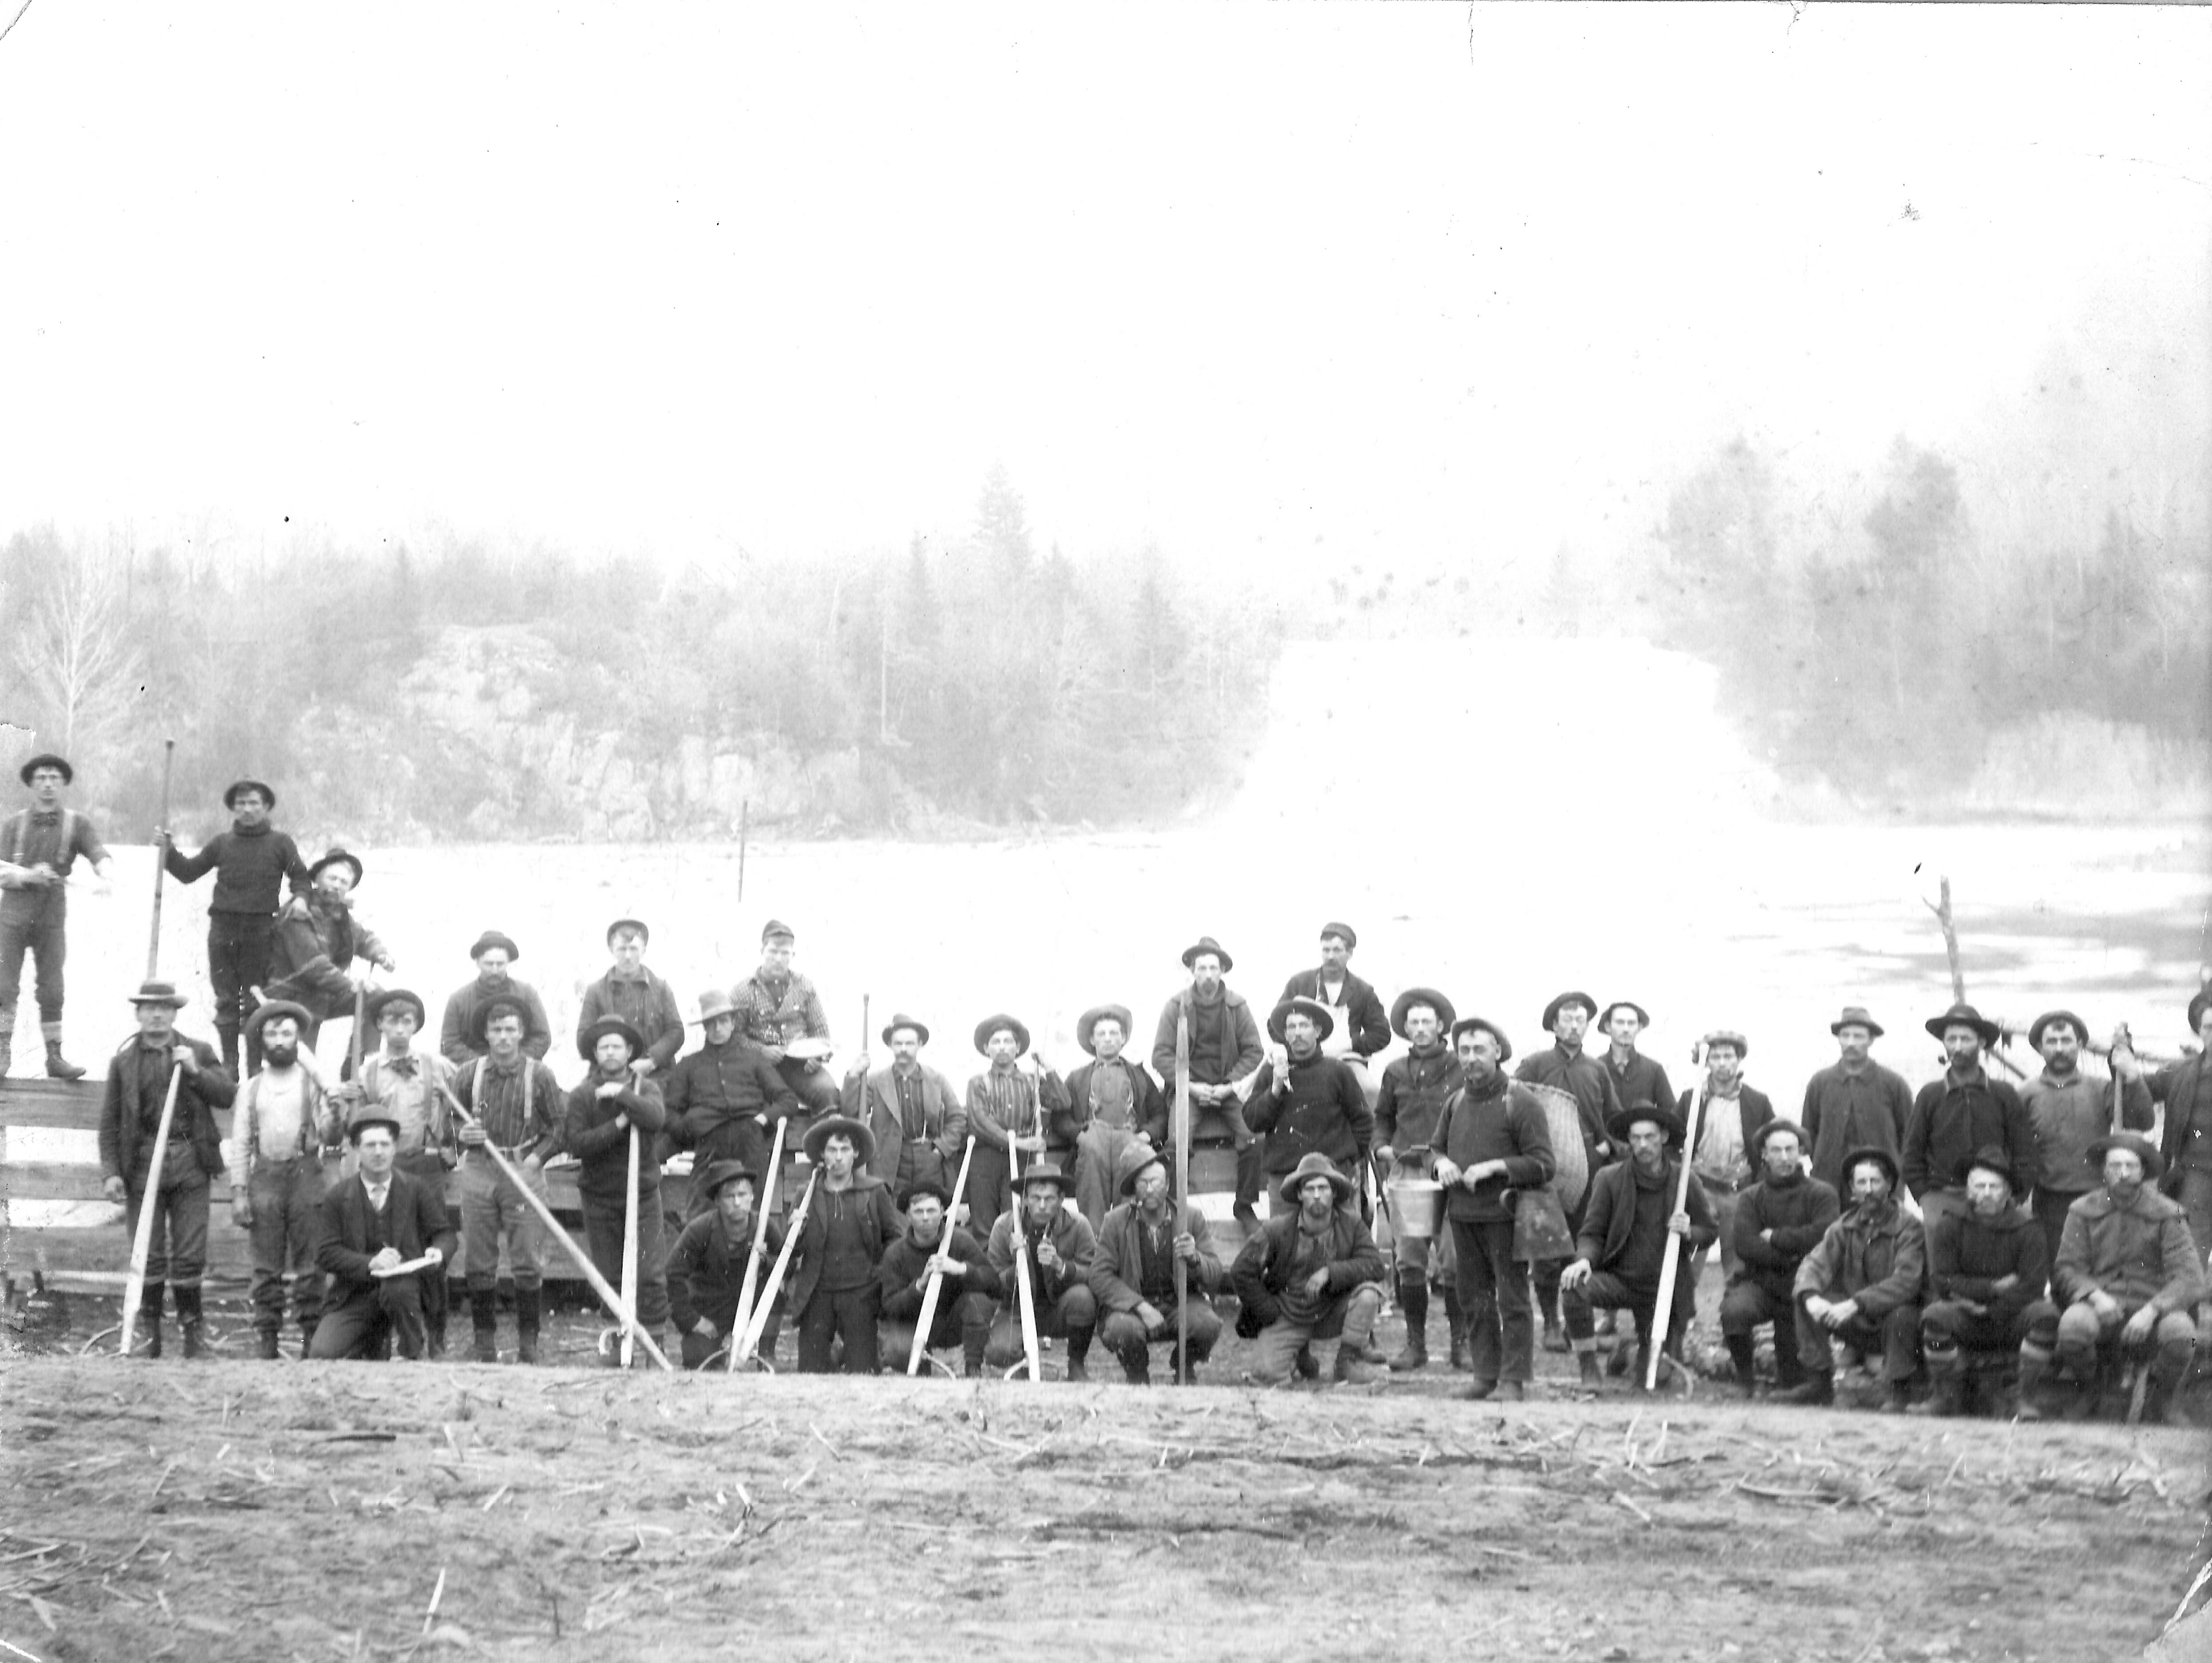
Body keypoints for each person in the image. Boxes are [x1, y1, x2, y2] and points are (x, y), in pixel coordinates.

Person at [98, 980, 235, 1359]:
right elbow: (109, 1122)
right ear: (138, 1013)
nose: (156, 1014)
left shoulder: (199, 1051)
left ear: (174, 1013)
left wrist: (193, 1071)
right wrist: (111, 1171)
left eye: (164, 1008)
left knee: (190, 1252)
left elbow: (226, 1095)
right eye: (148, 1008)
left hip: (191, 1162)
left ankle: (194, 1337)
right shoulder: (123, 1062)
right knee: (148, 1253)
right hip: (142, 1165)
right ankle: (149, 1337)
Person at [1429, 1014, 1555, 1400]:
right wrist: (1442, 1164)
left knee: (1512, 1299)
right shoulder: (1455, 1102)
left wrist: (1497, 1166)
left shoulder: (1520, 1101)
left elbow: (1544, 1164)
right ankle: (1485, 1375)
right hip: (1463, 1216)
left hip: (1506, 1218)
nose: (1471, 1058)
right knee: (1473, 1297)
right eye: (1463, 1050)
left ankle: (1514, 1381)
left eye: (1479, 1050)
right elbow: (1435, 1149)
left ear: (1497, 1052)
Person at [2042, 1131, 2207, 1425]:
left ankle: (2161, 1401)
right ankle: (2091, 1391)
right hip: (2101, 1303)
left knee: (2181, 1334)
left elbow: (2190, 1277)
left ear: (2143, 1172)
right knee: (2073, 1327)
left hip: (2154, 1304)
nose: (2123, 1174)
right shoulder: (2081, 1211)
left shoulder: (2170, 1214)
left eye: (2131, 1166)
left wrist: (2152, 1310)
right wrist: (2094, 1296)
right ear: (2104, 1171)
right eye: (2115, 1166)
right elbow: (2067, 1267)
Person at [1560, 1103, 1715, 1392]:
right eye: (1636, 1138)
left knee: (1654, 1379)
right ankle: (1589, 1368)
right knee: (1574, 1287)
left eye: (1651, 1137)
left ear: (1664, 1137)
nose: (1643, 1145)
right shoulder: (1610, 1179)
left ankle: (1626, 1354)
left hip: (1664, 1289)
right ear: (1629, 1140)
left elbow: (1709, 1232)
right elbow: (1592, 1233)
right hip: (1618, 1280)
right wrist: (1583, 1261)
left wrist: (1689, 1230)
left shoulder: (1685, 1181)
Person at [339, 985, 459, 1357]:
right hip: (385, 1167)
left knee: (432, 1249)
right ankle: (385, 1335)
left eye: (408, 1021)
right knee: (386, 1246)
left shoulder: (435, 1065)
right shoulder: (367, 1070)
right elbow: (355, 1124)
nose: (400, 1029)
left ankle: (436, 1332)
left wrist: (451, 1146)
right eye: (392, 1021)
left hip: (425, 1164)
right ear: (379, 1025)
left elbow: (460, 1103)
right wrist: (347, 1102)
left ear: (416, 1025)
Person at [159, 777, 307, 1071]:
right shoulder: (222, 843)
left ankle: (254, 1069)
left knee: (255, 1001)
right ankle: (230, 1067)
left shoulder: (281, 843)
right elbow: (188, 873)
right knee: (226, 1002)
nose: (247, 809)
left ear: (266, 808)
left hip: (261, 931)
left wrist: (301, 898)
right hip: (223, 930)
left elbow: (301, 878)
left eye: (254, 803)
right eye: (241, 804)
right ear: (233, 809)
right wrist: (168, 851)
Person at [450, 996, 564, 1364]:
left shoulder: (540, 1075)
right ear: (486, 1033)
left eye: (510, 1030)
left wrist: (537, 1159)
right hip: (480, 1169)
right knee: (479, 1259)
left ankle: (528, 1344)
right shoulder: (469, 1073)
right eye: (496, 1030)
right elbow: (448, 1123)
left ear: (521, 1033)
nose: (503, 1037)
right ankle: (485, 1342)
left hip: (523, 1169)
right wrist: (461, 1136)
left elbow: (559, 1128)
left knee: (528, 1259)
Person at [226, 1000, 342, 1359]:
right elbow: (242, 1141)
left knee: (311, 1263)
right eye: (272, 1033)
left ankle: (311, 1337)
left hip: (306, 1172)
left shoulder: (313, 1084)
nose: (279, 1040)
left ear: (298, 1040)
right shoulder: (251, 1088)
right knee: (266, 1264)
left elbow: (331, 1135)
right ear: (262, 1040)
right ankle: (267, 1339)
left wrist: (336, 1112)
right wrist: (239, 1191)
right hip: (265, 1177)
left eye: (287, 1033)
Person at [563, 1014, 673, 1365]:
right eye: (603, 1047)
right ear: (595, 1054)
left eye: (617, 1046)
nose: (610, 1053)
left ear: (629, 1053)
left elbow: (655, 1119)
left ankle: (654, 1350)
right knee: (609, 1275)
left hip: (641, 1195)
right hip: (601, 1196)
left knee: (651, 1274)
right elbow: (578, 1144)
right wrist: (619, 1122)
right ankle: (616, 1349)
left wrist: (624, 1095)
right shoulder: (582, 1094)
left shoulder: (646, 1088)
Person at [309, 1102, 457, 1361]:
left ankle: (413, 1353)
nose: (378, 1153)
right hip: (356, 1293)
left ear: (395, 1147)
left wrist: (438, 1252)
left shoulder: (415, 1189)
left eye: (385, 1145)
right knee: (323, 1352)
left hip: (408, 1292)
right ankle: (371, 1341)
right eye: (370, 1145)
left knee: (397, 1290)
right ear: (356, 1149)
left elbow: (445, 1235)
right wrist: (370, 1263)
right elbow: (326, 1253)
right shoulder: (339, 1196)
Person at [1516, 990, 1623, 1347]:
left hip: (1589, 1169)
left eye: (1581, 1020)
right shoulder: (1534, 1064)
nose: (1575, 1026)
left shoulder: (1596, 1069)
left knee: (1582, 1245)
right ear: (1554, 1025)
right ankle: (1550, 1324)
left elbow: (1614, 1118)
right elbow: (1513, 1104)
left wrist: (1608, 1143)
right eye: (1567, 1019)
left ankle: (1578, 1322)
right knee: (1547, 1248)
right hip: (1546, 1166)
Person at [1786, 1147, 1925, 1412]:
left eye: (1875, 1181)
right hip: (1856, 1317)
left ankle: (1899, 1391)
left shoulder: (1909, 1227)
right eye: (1861, 1182)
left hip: (1891, 1319)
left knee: (1903, 1314)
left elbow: (1907, 1282)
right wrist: (1811, 1297)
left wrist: (1856, 1303)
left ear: (1889, 1186)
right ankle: (1818, 1382)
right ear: (1852, 1188)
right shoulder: (1844, 1226)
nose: (1869, 1189)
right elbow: (1814, 1264)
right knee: (1806, 1298)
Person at [0, 752, 112, 1082]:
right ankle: (2, 1052)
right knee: (3, 986)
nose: (48, 784)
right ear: (32, 784)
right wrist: (27, 876)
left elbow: (98, 854)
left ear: (62, 783)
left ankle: (54, 1056)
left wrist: (107, 875)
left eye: (54, 778)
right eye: (41, 778)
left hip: (51, 916)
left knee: (52, 988)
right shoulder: (13, 824)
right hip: (12, 917)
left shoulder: (76, 824)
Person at [1915, 1146, 2049, 1418]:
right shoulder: (1950, 1225)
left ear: (2008, 1191)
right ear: (1968, 1190)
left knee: (2045, 1314)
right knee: (1935, 1315)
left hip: (2011, 1317)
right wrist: (1992, 1288)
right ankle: (1946, 1395)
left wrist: (1990, 1309)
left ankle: (2023, 1398)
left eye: (1994, 1186)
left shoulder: (2029, 1228)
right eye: (1979, 1186)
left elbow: (2033, 1285)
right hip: (1965, 1315)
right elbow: (1943, 1280)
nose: (1986, 1193)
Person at [1234, 1153, 1390, 1386]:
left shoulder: (1352, 1224)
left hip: (1332, 1310)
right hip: (1289, 1313)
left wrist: (1331, 1272)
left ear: (1334, 1192)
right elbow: (1241, 1270)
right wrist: (1269, 1311)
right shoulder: (1277, 1230)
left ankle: (1346, 1362)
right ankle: (1301, 1357)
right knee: (1266, 1374)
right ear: (1299, 1194)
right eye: (1309, 1189)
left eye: (1323, 1188)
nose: (1317, 1195)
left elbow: (1375, 1265)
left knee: (1368, 1295)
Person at [2019, 1008, 2152, 1278]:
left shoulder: (2101, 1088)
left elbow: (2143, 1120)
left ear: (2080, 1045)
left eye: (2067, 1041)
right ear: (2039, 1048)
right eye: (2052, 1042)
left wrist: (2132, 1076)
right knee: (2061, 1272)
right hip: (2051, 1200)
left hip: (2098, 1196)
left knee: (2102, 1269)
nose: (2060, 1049)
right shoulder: (2027, 1093)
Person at [1372, 987, 1464, 1370]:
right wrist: (1382, 1145)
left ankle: (1462, 1344)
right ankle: (1416, 1345)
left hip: (1448, 1169)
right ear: (1406, 1028)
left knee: (1454, 1260)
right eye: (1415, 1022)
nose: (1422, 1028)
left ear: (1441, 1026)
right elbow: (1382, 1118)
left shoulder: (1461, 1065)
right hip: (1408, 1171)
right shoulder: (1395, 1071)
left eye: (1429, 1021)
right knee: (1409, 1259)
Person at [1718, 1119, 1839, 1398]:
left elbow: (1823, 1237)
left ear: (1801, 1152)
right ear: (1764, 1154)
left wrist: (1774, 1237)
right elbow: (1746, 1245)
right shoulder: (1750, 1197)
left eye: (1790, 1149)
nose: (1784, 1158)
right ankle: (1745, 1380)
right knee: (1735, 1311)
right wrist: (1795, 1253)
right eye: (1776, 1150)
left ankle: (1800, 1383)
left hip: (1804, 1287)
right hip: (1760, 1283)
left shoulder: (1822, 1193)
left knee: (1792, 1383)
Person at [1150, 937, 1266, 1225]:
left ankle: (1245, 1204)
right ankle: (1175, 1208)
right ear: (1191, 970)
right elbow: (1161, 1055)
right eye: (1201, 968)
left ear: (1223, 970)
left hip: (1228, 1090)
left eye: (1214, 968)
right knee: (1177, 1141)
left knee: (1254, 1136)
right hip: (1190, 1089)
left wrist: (1229, 1085)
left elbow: (1254, 1050)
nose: (1208, 975)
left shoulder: (1237, 1006)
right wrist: (1189, 1086)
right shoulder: (1176, 1005)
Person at [1091, 1144, 1224, 1385]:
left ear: (1169, 1184)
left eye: (1157, 1182)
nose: (1151, 1189)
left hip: (1179, 1303)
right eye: (1143, 1183)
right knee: (1122, 1329)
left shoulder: (1190, 1217)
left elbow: (1215, 1271)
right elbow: (1100, 1276)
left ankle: (1184, 1365)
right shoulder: (1115, 1222)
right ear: (1133, 1189)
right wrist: (1140, 1307)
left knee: (1207, 1324)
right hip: (1133, 1308)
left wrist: (1195, 1259)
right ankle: (1137, 1373)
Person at [667, 988, 802, 1221]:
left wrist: (763, 1119)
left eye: (723, 1021)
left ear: (733, 1023)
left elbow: (787, 1100)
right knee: (701, 1213)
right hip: (709, 1142)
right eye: (711, 1023)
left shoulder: (753, 1060)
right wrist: (691, 1129)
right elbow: (670, 1112)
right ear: (705, 1028)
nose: (717, 1028)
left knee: (751, 1212)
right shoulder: (689, 1065)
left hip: (748, 1139)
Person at [1244, 996, 1374, 1234]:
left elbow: (1363, 1120)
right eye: (1291, 1027)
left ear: (1318, 1030)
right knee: (1284, 1249)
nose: (1297, 1033)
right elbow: (1253, 1121)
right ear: (1284, 1034)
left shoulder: (1338, 1072)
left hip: (1332, 1179)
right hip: (1286, 1180)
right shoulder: (1270, 1073)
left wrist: (1345, 1159)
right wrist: (1275, 1090)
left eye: (1304, 1026)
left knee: (1343, 1242)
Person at [785, 1116, 901, 1374]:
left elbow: (894, 1239)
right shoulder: (806, 1194)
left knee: (862, 1371)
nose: (838, 1157)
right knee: (810, 1372)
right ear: (822, 1155)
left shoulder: (874, 1191)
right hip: (818, 1293)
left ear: (856, 1154)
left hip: (861, 1292)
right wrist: (795, 1230)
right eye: (832, 1150)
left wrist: (880, 1276)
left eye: (845, 1150)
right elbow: (791, 1251)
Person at [1902, 1002, 2035, 1228]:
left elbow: (2024, 1151)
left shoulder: (2003, 1094)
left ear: (1981, 1043)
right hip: (1943, 1199)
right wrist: (1925, 1197)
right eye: (1951, 1039)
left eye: (1966, 1039)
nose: (1958, 1047)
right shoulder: (1930, 1095)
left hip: (1994, 1198)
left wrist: (2015, 1196)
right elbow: (1912, 1153)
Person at [261, 847, 395, 1057]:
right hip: (292, 998)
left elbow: (362, 937)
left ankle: (362, 1066)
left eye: (344, 883)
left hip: (320, 996)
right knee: (301, 1064)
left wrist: (380, 953)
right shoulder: (298, 912)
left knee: (376, 997)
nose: (337, 885)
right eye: (332, 878)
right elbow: (313, 966)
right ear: (318, 879)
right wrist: (351, 986)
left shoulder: (339, 915)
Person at [2112, 989, 2212, 1264]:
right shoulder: (2181, 1072)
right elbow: (2140, 1099)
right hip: (2195, 1177)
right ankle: (2188, 1304)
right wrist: (2128, 1067)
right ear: (2199, 1032)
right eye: (2209, 1027)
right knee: (2192, 1253)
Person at [1053, 1004, 1168, 1229]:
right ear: (1092, 1040)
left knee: (1131, 1203)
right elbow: (1060, 1117)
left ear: (1123, 1038)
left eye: (1114, 1033)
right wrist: (1080, 1136)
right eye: (1101, 1034)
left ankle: (1130, 1246)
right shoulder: (1077, 1078)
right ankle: (1094, 1250)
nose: (1108, 1039)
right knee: (1092, 1202)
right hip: (1093, 1143)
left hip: (1129, 1141)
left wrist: (1145, 1136)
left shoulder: (1139, 1075)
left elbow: (1159, 1114)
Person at [984, 1162, 1099, 1380]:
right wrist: (1016, 1265)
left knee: (1083, 1299)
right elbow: (992, 1283)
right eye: (1036, 1198)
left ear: (1062, 1199)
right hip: (1016, 1310)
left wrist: (1062, 1266)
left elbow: (1094, 1273)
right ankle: (1023, 1367)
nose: (1043, 1205)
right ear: (1025, 1199)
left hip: (1059, 1307)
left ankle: (1075, 1363)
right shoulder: (1004, 1226)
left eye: (1050, 1199)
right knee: (998, 1351)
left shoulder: (1078, 1225)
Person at [667, 1162, 787, 1370]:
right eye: (730, 1197)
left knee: (777, 1289)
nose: (738, 1202)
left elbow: (788, 1265)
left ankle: (767, 1349)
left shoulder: (764, 1227)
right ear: (717, 1201)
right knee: (699, 1359)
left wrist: (764, 1261)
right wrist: (693, 1321)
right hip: (712, 1312)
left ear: (752, 1198)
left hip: (754, 1310)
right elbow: (673, 1274)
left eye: (743, 1194)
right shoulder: (700, 1230)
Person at [838, 1011, 966, 1207]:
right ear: (890, 1046)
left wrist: (940, 1149)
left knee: (928, 1210)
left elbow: (957, 1117)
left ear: (920, 1045)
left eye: (909, 1044)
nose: (903, 1049)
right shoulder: (876, 1081)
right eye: (898, 1044)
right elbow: (851, 1111)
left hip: (928, 1155)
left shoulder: (936, 1079)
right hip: (891, 1158)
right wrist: (853, 1074)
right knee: (895, 1214)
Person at [876, 1176, 997, 1377]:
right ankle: (921, 1374)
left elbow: (995, 1285)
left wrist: (962, 1269)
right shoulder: (895, 1253)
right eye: (918, 1212)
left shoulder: (961, 1241)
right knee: (898, 1352)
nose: (925, 1217)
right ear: (908, 1215)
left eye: (931, 1211)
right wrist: (919, 1286)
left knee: (977, 1301)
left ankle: (972, 1367)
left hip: (954, 1320)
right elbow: (889, 1306)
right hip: (914, 1320)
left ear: (942, 1212)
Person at [1681, 1030, 1774, 1282]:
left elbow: (1770, 1147)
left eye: (1729, 1056)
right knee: (1692, 1252)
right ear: (1706, 1062)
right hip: (1701, 1191)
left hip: (1739, 1192)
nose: (1723, 1063)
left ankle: (1733, 1313)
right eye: (1716, 1057)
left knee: (1737, 1255)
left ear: (1739, 1059)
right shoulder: (1691, 1099)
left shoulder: (1757, 1101)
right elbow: (1674, 1142)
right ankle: (1685, 1315)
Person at [962, 1014, 1067, 1235]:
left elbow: (1062, 1101)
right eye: (996, 1042)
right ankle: (988, 1267)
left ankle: (1017, 1267)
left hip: (1021, 1161)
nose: (1002, 1047)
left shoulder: (1032, 1081)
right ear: (986, 1048)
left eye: (1008, 1042)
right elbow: (981, 1122)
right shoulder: (978, 1083)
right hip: (986, 1156)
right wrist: (1018, 1142)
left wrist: (1048, 1068)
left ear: (1017, 1047)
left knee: (1017, 1217)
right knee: (984, 1220)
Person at [1799, 1006, 1914, 1196]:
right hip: (1830, 1184)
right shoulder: (1820, 1082)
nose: (1851, 1043)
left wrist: (1894, 1174)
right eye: (1845, 1036)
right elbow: (1809, 1133)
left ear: (1871, 1040)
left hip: (1881, 1186)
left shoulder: (1893, 1083)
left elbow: (1909, 1137)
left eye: (1859, 1036)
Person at [732, 919, 839, 1115]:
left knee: (828, 1092)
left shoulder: (805, 987)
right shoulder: (743, 991)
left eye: (785, 953)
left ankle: (824, 1144)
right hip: (757, 1067)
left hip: (800, 1067)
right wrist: (761, 1050)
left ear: (793, 955)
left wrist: (818, 1057)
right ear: (762, 951)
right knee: (747, 1103)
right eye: (773, 952)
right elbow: (733, 1037)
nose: (779, 959)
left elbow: (822, 1033)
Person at [1277, 922, 1390, 1098]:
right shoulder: (1300, 983)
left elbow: (1382, 1034)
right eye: (1326, 950)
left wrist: (1351, 1044)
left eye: (1337, 950)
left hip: (1346, 1060)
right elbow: (1276, 1024)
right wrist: (1297, 1044)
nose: (1330, 956)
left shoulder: (1363, 991)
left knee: (1369, 1090)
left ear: (1350, 953)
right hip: (1302, 1057)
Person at [575, 919, 685, 1077]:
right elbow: (583, 1038)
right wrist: (612, 1064)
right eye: (622, 949)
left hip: (656, 1075)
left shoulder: (661, 989)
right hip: (608, 1075)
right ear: (612, 950)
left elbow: (676, 1032)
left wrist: (651, 1061)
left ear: (644, 950)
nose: (628, 956)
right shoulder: (596, 991)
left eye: (634, 949)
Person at [439, 932, 553, 1066]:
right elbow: (449, 1043)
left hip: (519, 1071)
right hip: (474, 1073)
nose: (494, 970)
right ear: (478, 963)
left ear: (508, 963)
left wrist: (514, 1061)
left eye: (500, 964)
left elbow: (542, 1037)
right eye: (489, 964)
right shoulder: (458, 1000)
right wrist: (483, 1065)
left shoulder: (527, 994)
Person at [1598, 1001, 1675, 1144]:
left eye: (1631, 1023)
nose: (1626, 1029)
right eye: (1620, 1023)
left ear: (1639, 1028)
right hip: (1607, 1153)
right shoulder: (1596, 1069)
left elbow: (1670, 1113)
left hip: (1643, 1151)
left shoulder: (1653, 1070)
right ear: (1608, 1027)